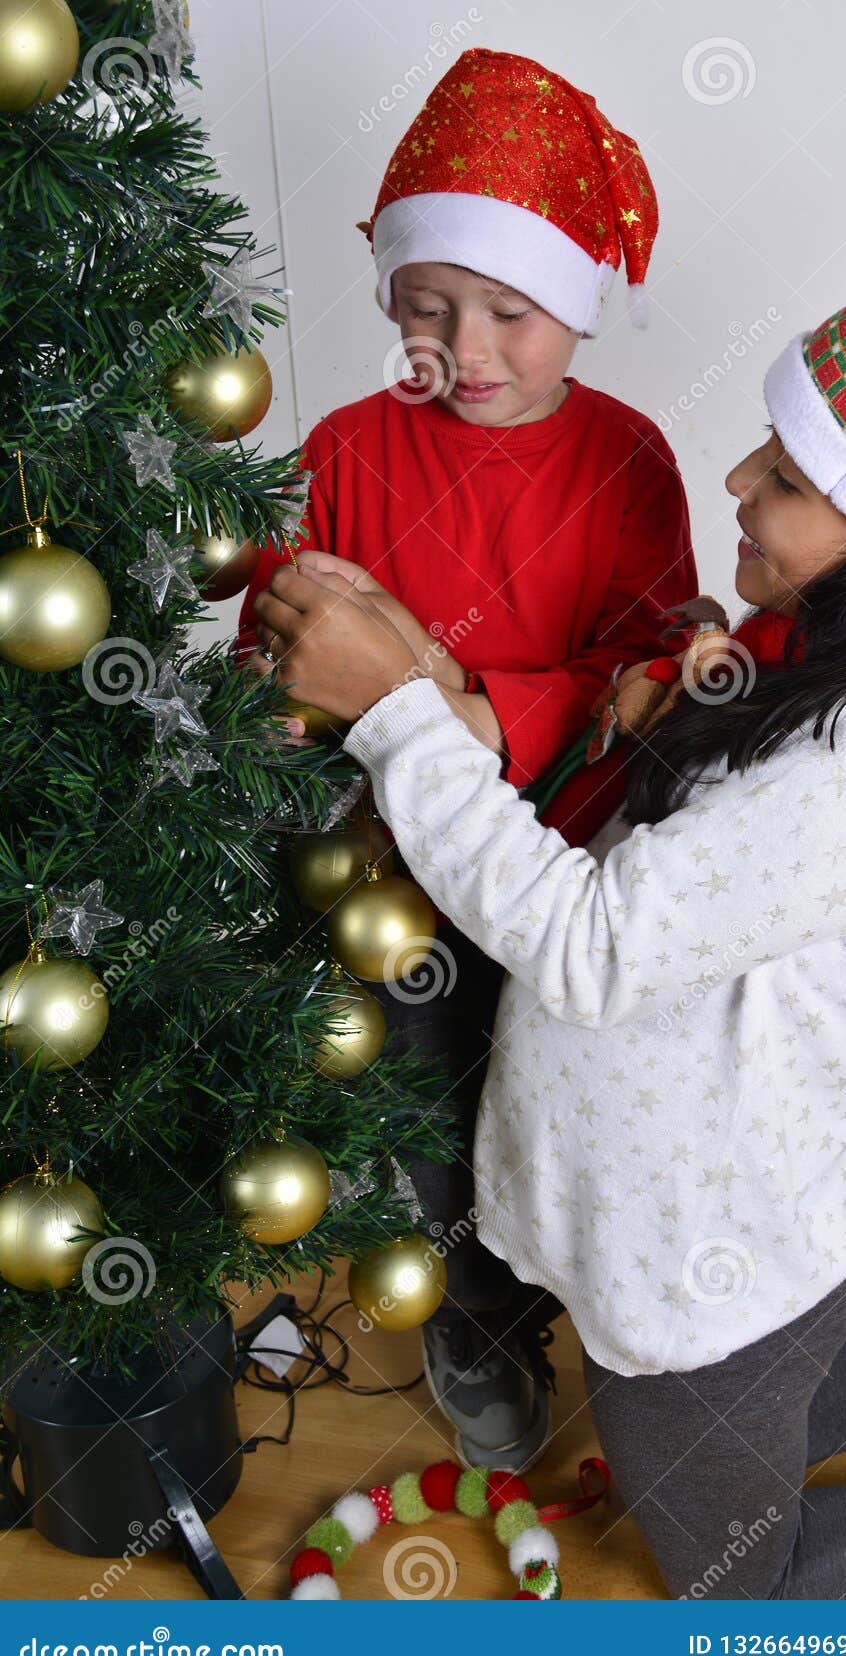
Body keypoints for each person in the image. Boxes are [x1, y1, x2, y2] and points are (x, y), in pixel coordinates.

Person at [254, 227, 846, 1597]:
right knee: (750, 1399)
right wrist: (449, 672)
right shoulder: (834, 663)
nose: (734, 478)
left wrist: (390, 711)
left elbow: (588, 941)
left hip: (703, 1260)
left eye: (783, 479)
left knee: (745, 1579)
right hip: (739, 1224)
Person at [237, 48, 698, 1473]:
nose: (470, 350)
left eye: (510, 309)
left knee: (564, 1091)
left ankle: (593, 1297)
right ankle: (476, 1312)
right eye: (429, 307)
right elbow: (288, 620)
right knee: (438, 1096)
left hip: (568, 867)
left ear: (579, 303)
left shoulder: (629, 459)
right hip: (398, 872)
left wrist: (483, 704)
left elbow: (659, 668)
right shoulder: (355, 446)